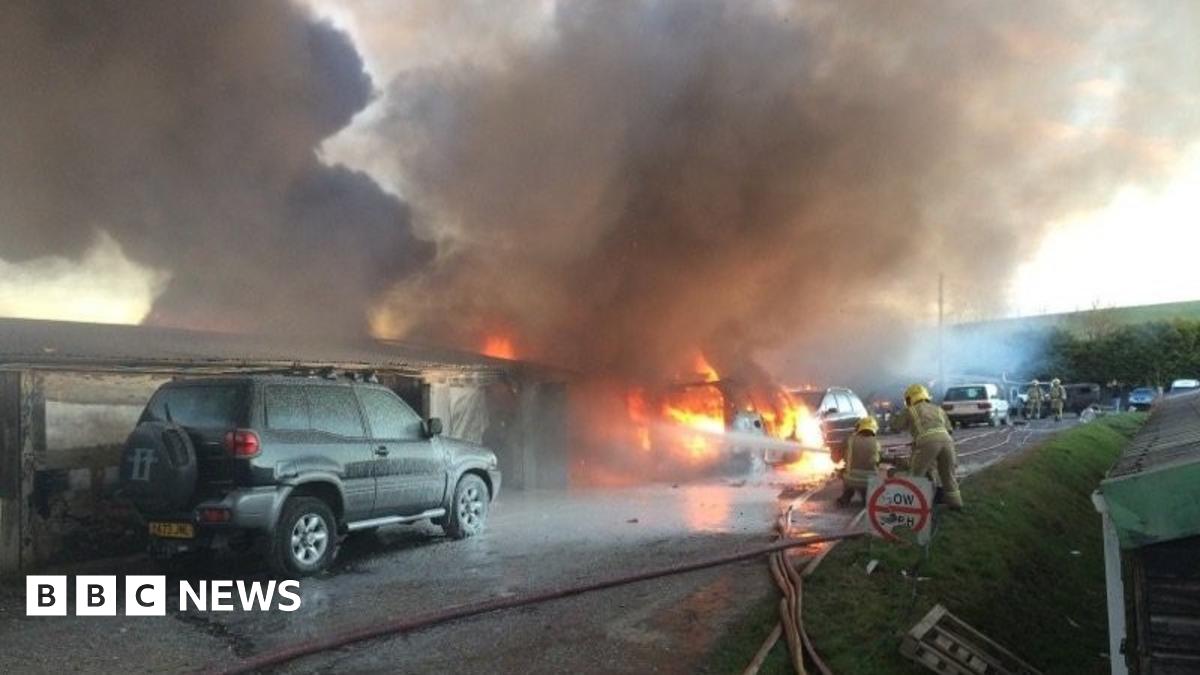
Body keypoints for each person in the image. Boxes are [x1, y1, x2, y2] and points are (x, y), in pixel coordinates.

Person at [890, 383, 963, 509]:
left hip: (926, 443)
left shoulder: (910, 410)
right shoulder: (938, 409)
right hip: (947, 441)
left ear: (909, 399)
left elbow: (896, 427)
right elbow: (949, 430)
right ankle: (956, 504)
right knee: (948, 475)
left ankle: (913, 508)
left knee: (915, 475)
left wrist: (893, 414)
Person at [836, 417, 881, 507]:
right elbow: (877, 462)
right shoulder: (877, 443)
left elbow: (835, 458)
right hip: (870, 481)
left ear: (859, 428)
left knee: (842, 471)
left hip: (851, 479)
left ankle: (846, 496)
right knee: (867, 497)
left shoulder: (850, 440)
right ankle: (866, 498)